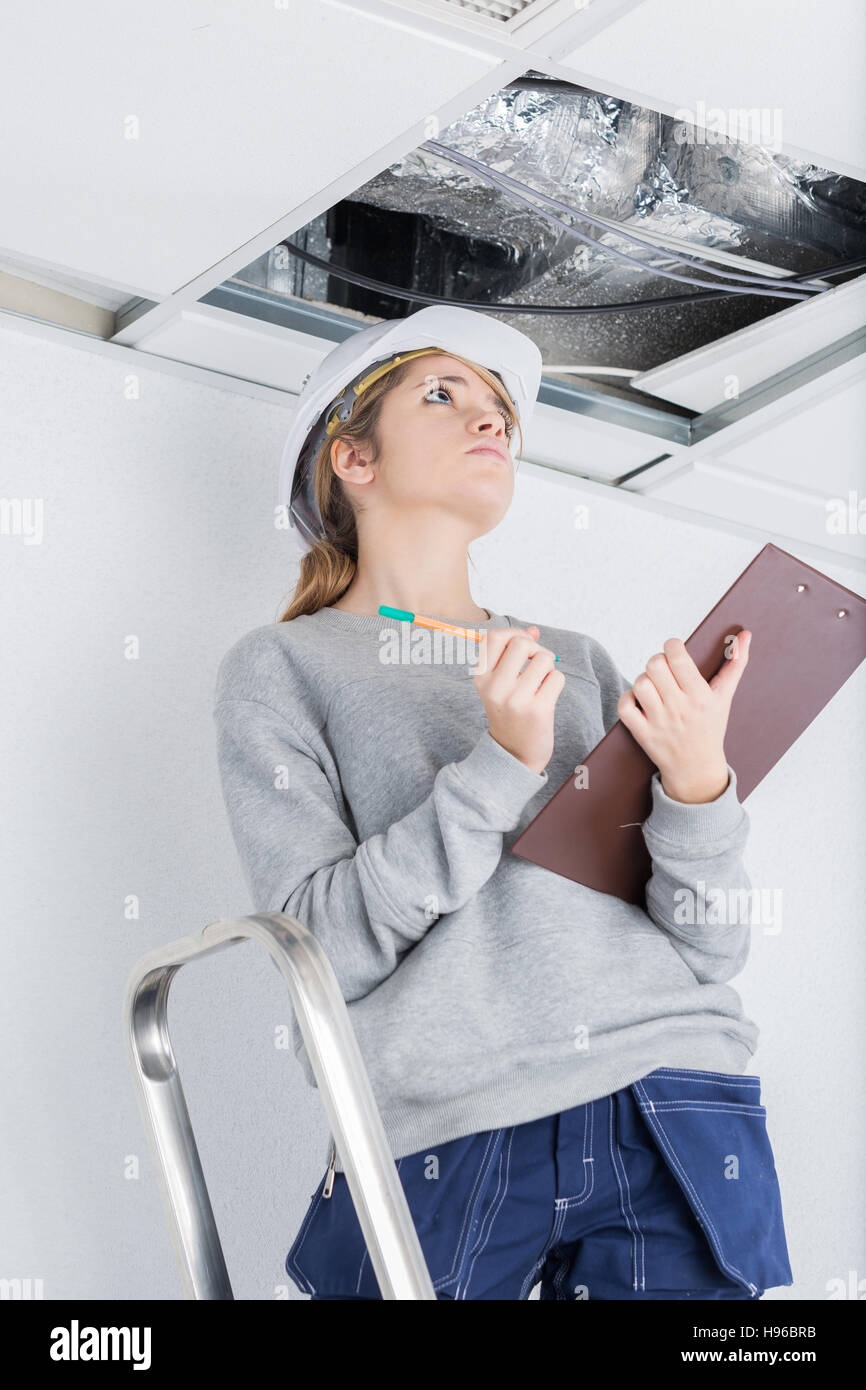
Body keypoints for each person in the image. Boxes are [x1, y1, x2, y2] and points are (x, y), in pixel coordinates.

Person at [212, 305, 793, 1300]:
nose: (489, 420)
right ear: (351, 458)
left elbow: (709, 948)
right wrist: (496, 768)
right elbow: (318, 948)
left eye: (499, 412)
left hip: (671, 1093)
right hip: (448, 1118)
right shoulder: (282, 668)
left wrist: (698, 785)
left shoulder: (575, 660)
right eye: (443, 394)